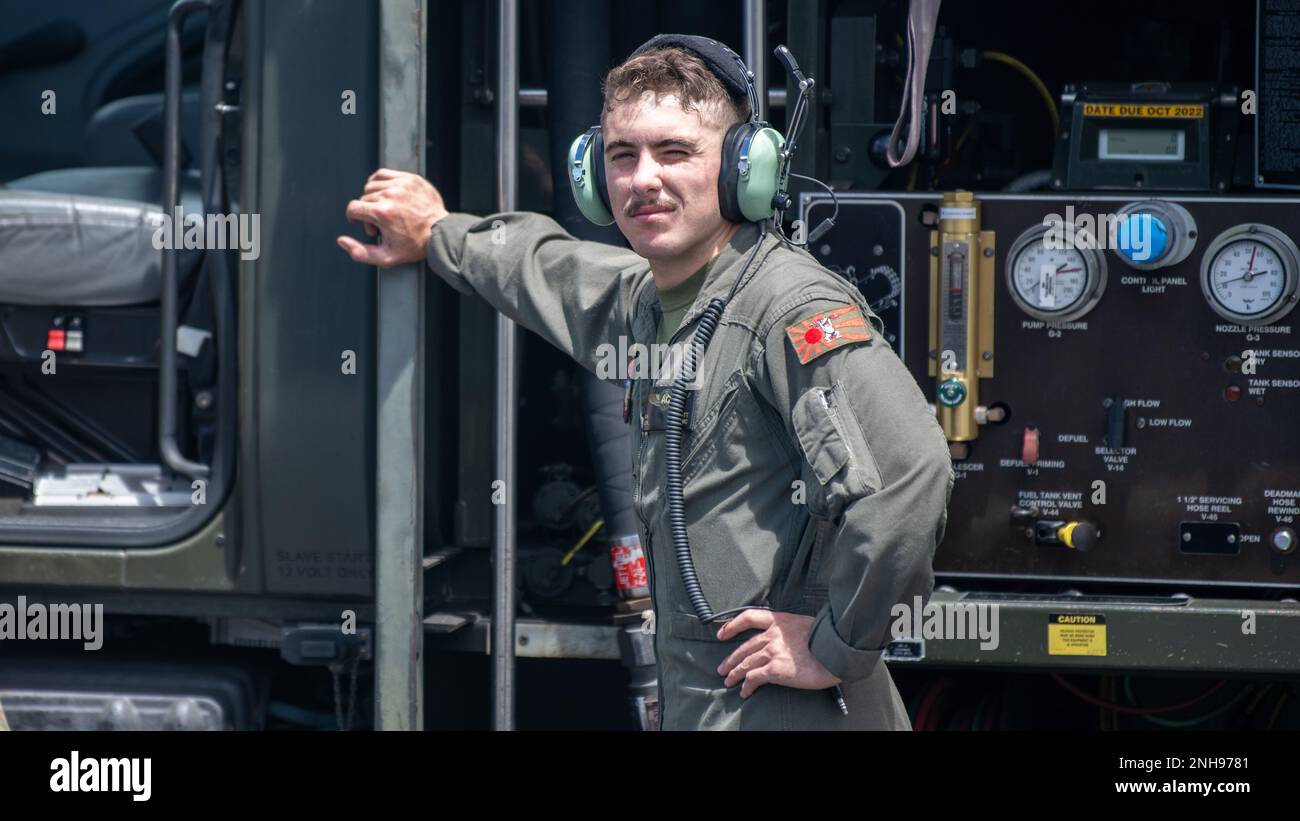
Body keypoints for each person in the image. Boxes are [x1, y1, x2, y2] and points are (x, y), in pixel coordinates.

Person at [338, 34, 954, 730]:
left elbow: (910, 474)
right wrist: (439, 231)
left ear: (741, 167)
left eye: (674, 152)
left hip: (787, 706)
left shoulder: (789, 307)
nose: (643, 179)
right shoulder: (648, 300)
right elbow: (549, 270)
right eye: (622, 156)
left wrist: (838, 644)